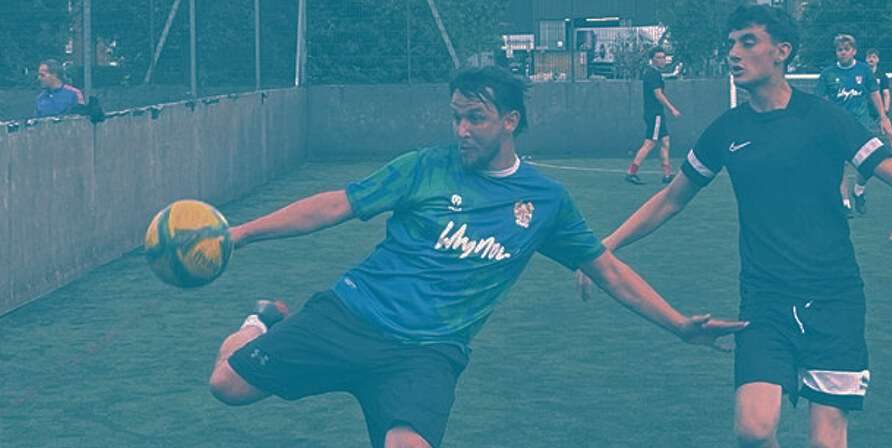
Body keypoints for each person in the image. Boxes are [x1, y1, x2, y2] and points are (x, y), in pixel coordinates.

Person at [207, 66, 745, 448]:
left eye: (476, 118)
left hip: (427, 354)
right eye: (457, 117)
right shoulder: (426, 166)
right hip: (350, 316)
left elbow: (607, 270)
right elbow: (335, 205)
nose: (462, 130)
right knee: (227, 388)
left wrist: (678, 325)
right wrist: (242, 234)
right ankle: (260, 322)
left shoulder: (545, 203)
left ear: (509, 120)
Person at [579, 6, 892, 448]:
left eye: (747, 42)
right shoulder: (727, 130)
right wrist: (605, 247)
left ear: (782, 52)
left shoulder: (823, 117)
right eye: (730, 44)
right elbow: (671, 198)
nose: (734, 53)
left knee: (826, 441)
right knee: (752, 429)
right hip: (765, 301)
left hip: (834, 296)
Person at [817, 35, 892, 215]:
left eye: (846, 49)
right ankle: (845, 203)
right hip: (836, 127)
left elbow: (874, 94)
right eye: (839, 50)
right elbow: (820, 100)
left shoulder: (864, 70)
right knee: (839, 165)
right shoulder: (827, 74)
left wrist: (883, 117)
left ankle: (858, 192)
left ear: (853, 51)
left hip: (861, 125)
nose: (842, 53)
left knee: (867, 164)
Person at [625, 47, 682, 185]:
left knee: (665, 141)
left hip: (657, 114)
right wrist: (672, 109)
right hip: (655, 114)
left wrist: (675, 73)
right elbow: (658, 94)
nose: (663, 60)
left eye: (664, 57)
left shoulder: (655, 73)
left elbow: (665, 79)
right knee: (650, 143)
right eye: (659, 57)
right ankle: (631, 172)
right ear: (652, 59)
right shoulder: (652, 74)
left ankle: (667, 175)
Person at [864, 49, 892, 169]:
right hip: (864, 111)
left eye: (873, 57)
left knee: (890, 134)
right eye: (869, 57)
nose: (871, 59)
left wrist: (884, 111)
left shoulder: (882, 75)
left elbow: (886, 94)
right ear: (865, 59)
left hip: (878, 111)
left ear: (877, 60)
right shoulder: (862, 74)